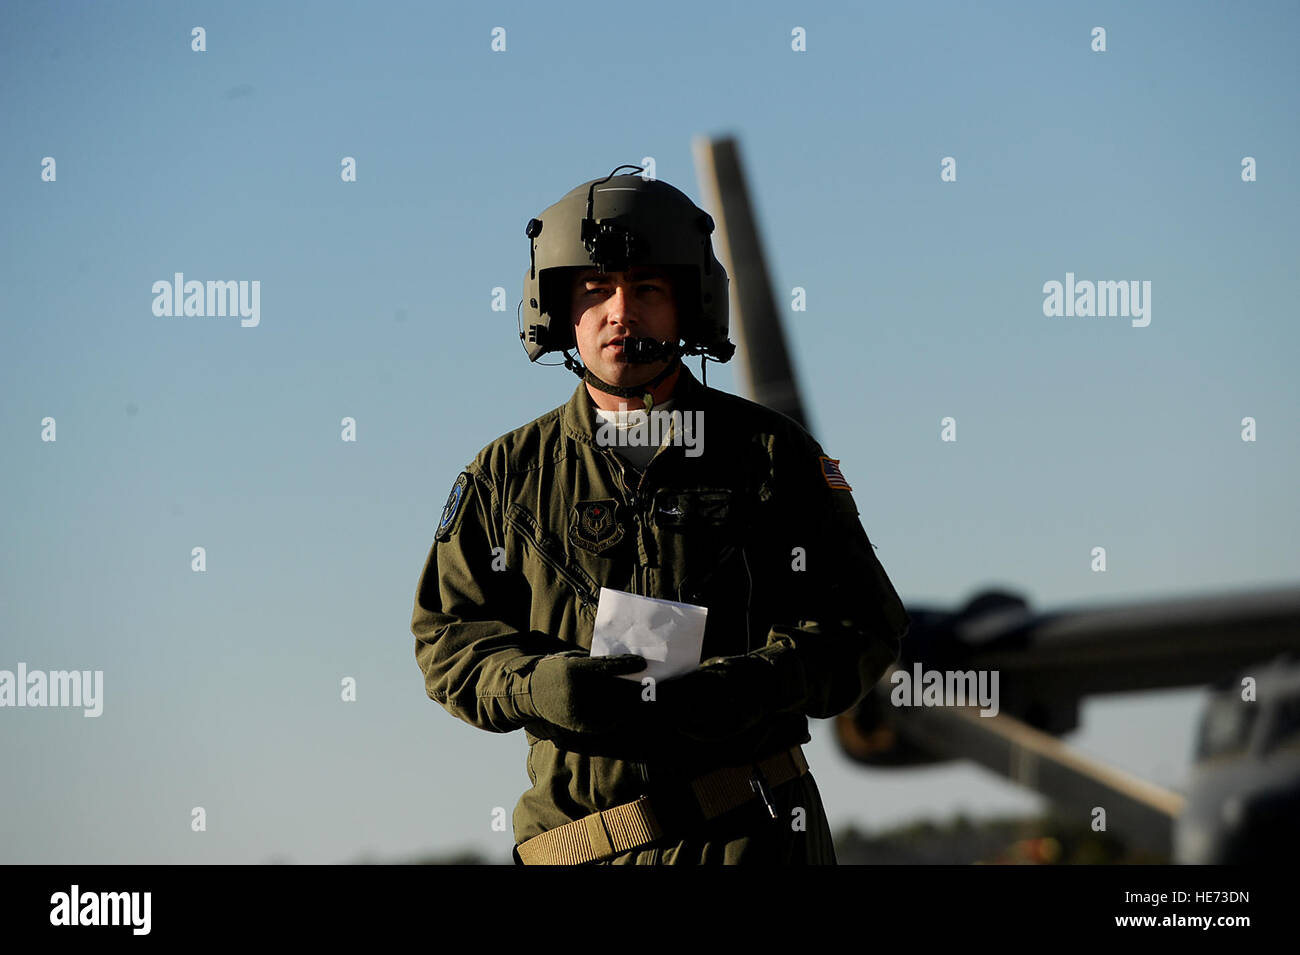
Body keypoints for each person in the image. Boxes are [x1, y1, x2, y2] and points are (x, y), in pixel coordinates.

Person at [411, 167, 909, 864]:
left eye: (646, 289)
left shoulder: (773, 456)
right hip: (577, 848)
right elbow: (448, 641)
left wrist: (751, 684)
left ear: (688, 305)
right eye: (596, 290)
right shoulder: (504, 479)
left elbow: (864, 625)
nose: (621, 312)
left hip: (750, 838)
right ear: (558, 310)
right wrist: (537, 684)